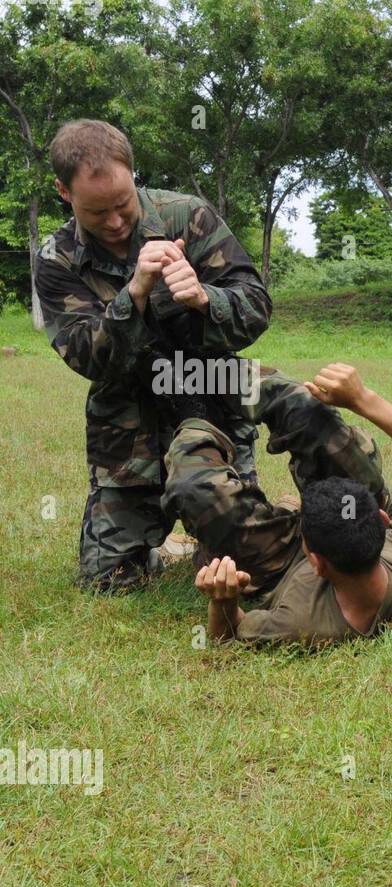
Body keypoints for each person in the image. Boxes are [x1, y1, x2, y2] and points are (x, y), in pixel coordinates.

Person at [34, 119, 273, 592]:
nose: (116, 222)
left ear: (132, 173)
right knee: (108, 582)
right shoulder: (56, 258)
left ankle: (214, 526)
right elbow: (87, 358)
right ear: (64, 192)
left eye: (122, 204)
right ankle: (154, 543)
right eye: (96, 211)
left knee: (247, 574)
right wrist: (135, 294)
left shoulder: (191, 217)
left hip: (212, 416)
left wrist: (207, 299)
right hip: (128, 434)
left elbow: (257, 309)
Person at [175, 362, 392, 645]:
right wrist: (362, 399)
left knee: (194, 487)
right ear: (382, 519)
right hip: (337, 536)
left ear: (314, 561)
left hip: (279, 567)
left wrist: (223, 601)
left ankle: (192, 410)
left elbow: (229, 633)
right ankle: (210, 369)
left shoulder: (299, 622)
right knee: (306, 410)